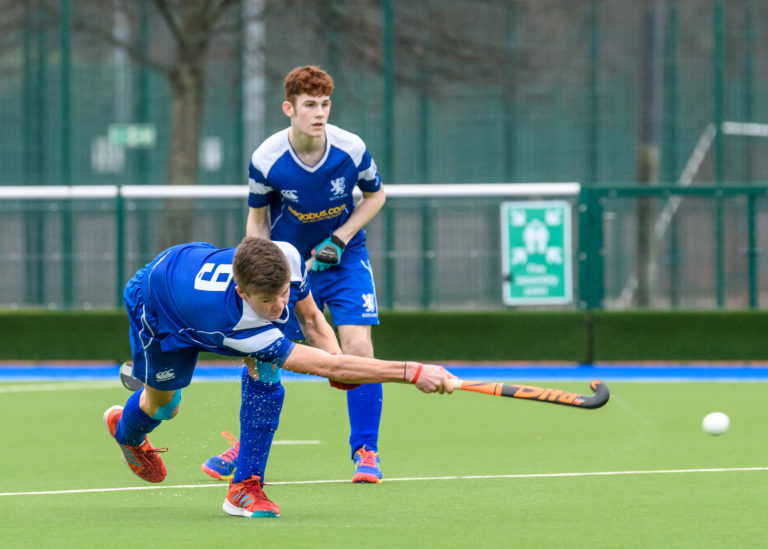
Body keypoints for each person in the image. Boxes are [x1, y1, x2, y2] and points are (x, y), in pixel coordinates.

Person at [104, 237, 454, 518]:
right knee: (164, 407)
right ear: (243, 293)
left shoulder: (286, 255)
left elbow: (312, 319)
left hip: (190, 266)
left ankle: (244, 488)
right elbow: (330, 368)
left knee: (265, 368)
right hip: (156, 302)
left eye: (285, 293)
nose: (280, 307)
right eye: (267, 301)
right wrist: (413, 372)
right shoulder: (236, 323)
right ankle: (127, 433)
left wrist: (335, 355)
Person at [202, 65, 388, 484]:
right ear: (289, 108)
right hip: (288, 267)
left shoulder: (351, 149)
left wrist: (339, 238)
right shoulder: (267, 159)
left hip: (345, 259)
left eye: (324, 104)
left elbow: (376, 196)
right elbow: (257, 221)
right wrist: (265, 271)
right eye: (309, 105)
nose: (319, 113)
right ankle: (245, 447)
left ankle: (366, 450)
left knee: (358, 347)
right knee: (262, 354)